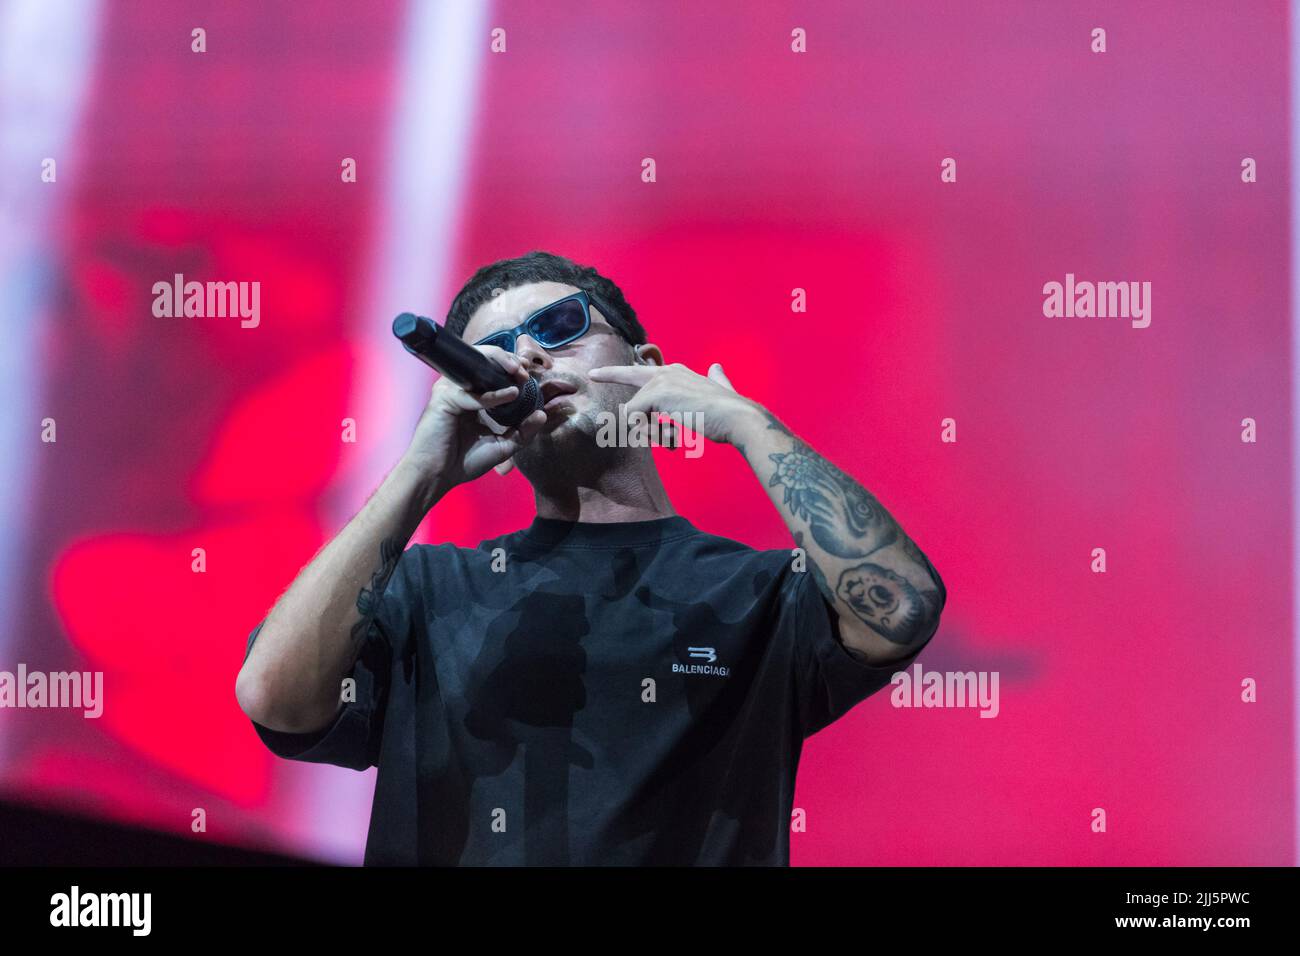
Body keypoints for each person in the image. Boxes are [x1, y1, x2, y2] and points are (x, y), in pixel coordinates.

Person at [235, 250, 946, 865]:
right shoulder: (427, 589)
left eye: (560, 328)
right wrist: (422, 471)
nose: (532, 358)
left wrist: (747, 424)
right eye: (500, 353)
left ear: (649, 367)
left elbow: (902, 604)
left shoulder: (758, 593)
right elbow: (275, 698)